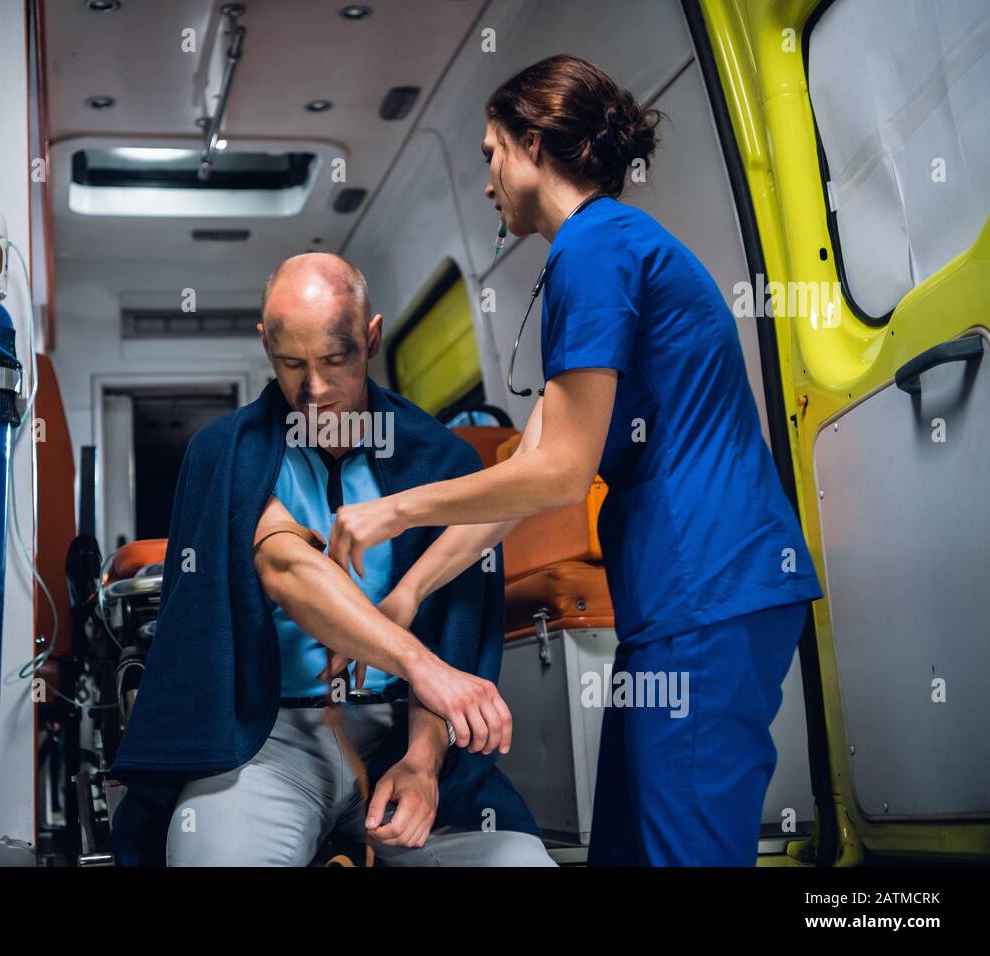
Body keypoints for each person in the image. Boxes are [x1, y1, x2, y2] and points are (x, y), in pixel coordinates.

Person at [326, 55, 824, 866]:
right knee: (627, 850)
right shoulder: (603, 248)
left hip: (708, 588)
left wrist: (394, 512)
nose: (486, 179)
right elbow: (527, 465)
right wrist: (411, 589)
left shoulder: (593, 250)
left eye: (490, 152)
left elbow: (559, 473)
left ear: (531, 143)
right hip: (683, 599)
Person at [107, 252, 554, 866]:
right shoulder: (224, 454)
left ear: (371, 340)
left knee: (519, 865)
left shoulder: (439, 460)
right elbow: (287, 568)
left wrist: (423, 764)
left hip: (406, 732)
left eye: (334, 360)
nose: (313, 390)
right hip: (266, 738)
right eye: (291, 364)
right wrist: (421, 666)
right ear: (265, 345)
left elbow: (454, 622)